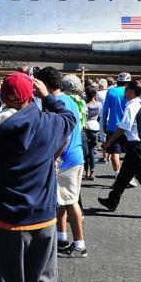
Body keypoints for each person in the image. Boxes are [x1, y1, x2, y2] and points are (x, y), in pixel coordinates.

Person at [0, 72, 76, 282]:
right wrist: (47, 97)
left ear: (5, 98)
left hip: (5, 218)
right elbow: (68, 118)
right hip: (42, 215)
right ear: (31, 95)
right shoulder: (47, 124)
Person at [97, 80, 141, 218]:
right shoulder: (140, 105)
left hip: (136, 147)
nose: (124, 92)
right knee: (124, 176)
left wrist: (108, 142)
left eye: (126, 89)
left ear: (132, 91)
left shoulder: (131, 107)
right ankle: (112, 200)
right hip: (137, 146)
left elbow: (123, 127)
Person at [37, 69, 87, 259]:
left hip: (66, 159)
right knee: (62, 201)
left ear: (45, 84)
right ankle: (62, 238)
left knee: (70, 201)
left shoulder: (55, 103)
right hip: (74, 155)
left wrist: (53, 157)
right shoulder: (69, 101)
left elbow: (62, 136)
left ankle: (80, 244)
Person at [101, 72, 132, 183]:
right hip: (128, 126)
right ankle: (129, 176)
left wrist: (103, 124)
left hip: (113, 126)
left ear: (117, 81)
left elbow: (104, 111)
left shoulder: (111, 92)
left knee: (115, 152)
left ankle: (117, 176)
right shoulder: (131, 92)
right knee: (130, 152)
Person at [82, 84, 102, 181]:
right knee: (92, 150)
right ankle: (93, 172)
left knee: (86, 152)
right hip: (95, 127)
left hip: (86, 127)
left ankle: (87, 172)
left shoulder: (85, 104)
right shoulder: (99, 104)